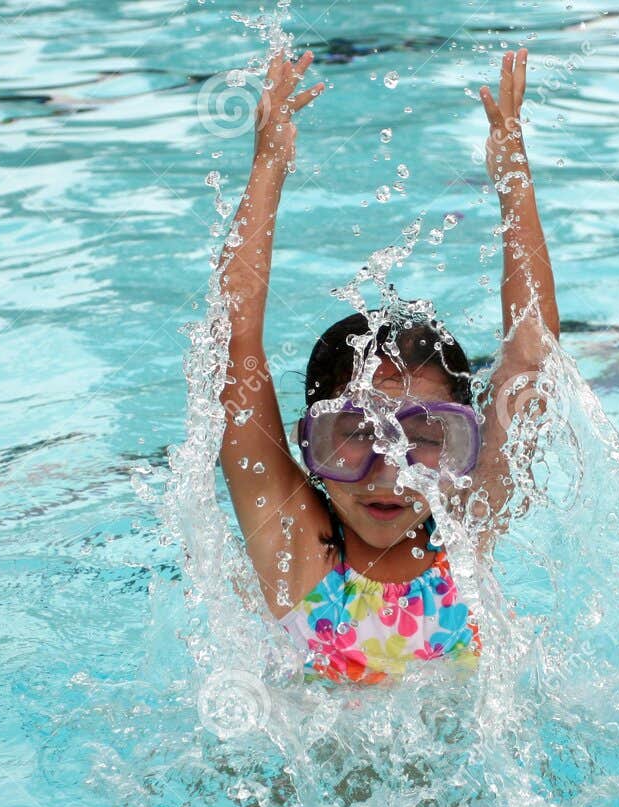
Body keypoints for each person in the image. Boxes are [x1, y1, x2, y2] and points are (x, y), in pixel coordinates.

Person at [216, 47, 560, 683]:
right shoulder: (294, 548)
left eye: (426, 439)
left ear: (466, 441)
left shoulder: (466, 531)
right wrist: (267, 169)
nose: (390, 473)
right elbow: (234, 353)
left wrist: (513, 174)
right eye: (353, 434)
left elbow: (531, 355)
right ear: (307, 440)